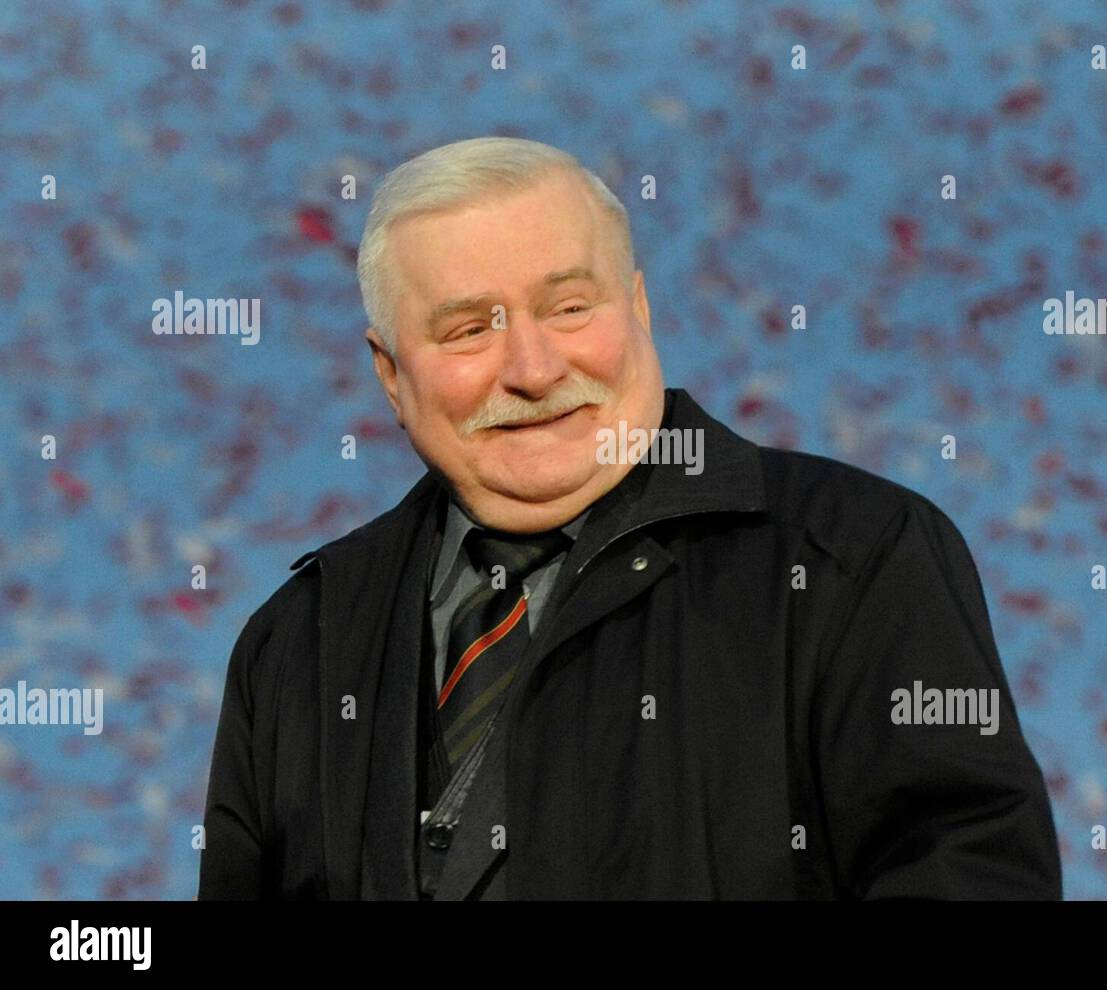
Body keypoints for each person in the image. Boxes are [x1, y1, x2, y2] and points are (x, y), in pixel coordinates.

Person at [197, 136, 1062, 900]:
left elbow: (969, 874)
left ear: (638, 310)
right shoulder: (295, 644)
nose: (532, 368)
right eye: (468, 330)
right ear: (391, 375)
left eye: (569, 307)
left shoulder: (859, 556)